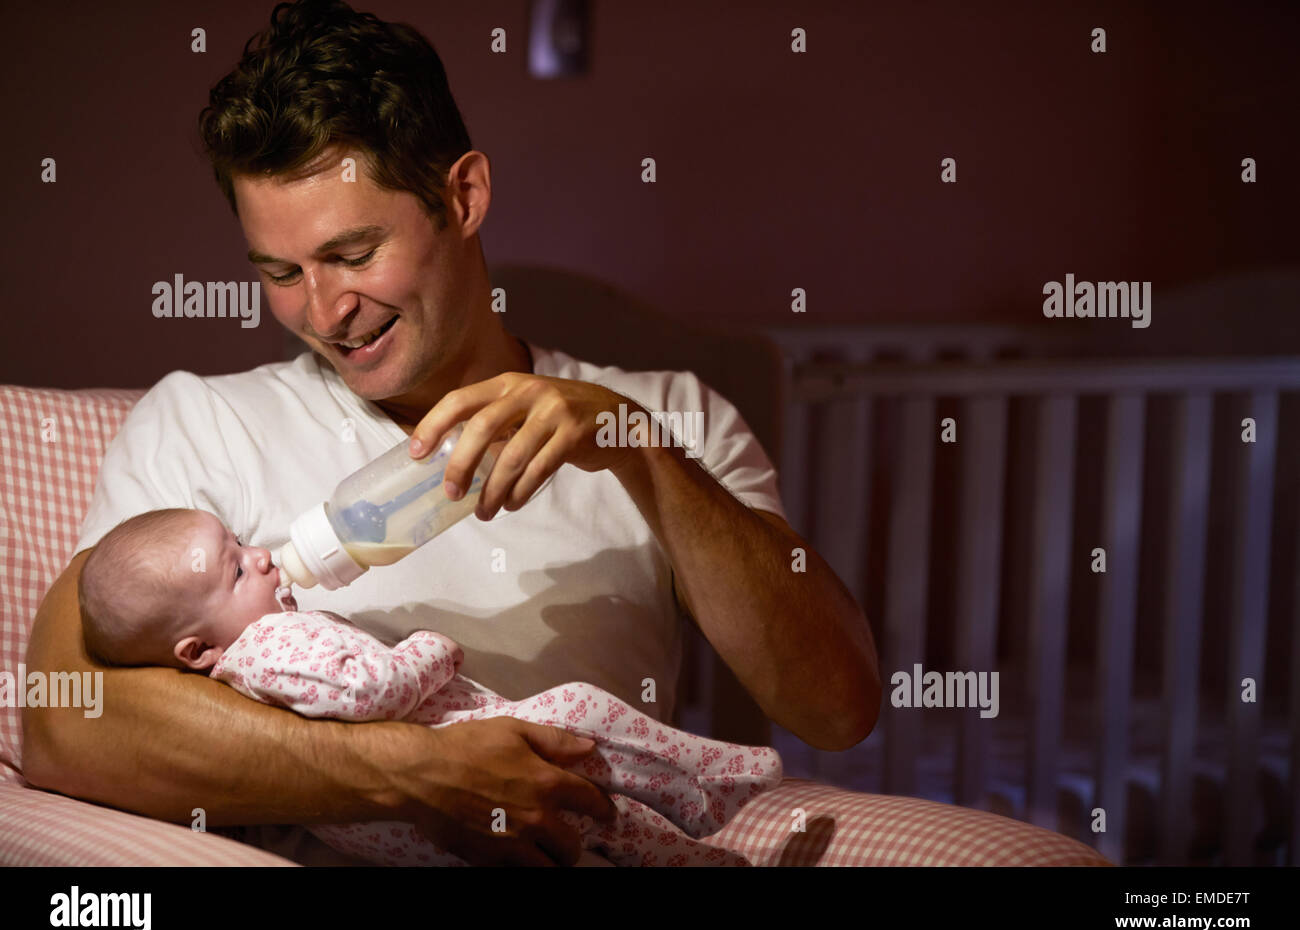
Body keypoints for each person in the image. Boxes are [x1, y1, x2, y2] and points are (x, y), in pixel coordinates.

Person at [22, 0, 880, 866]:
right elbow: (66, 723)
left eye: (354, 255)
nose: (324, 312)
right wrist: (410, 772)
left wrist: (639, 452)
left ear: (462, 196)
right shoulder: (200, 422)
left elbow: (837, 706)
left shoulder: (666, 413)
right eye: (281, 272)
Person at [76, 506, 781, 866]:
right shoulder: (268, 645)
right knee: (580, 715)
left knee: (595, 820)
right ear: (196, 650)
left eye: (241, 543)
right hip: (457, 745)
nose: (260, 557)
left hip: (410, 830)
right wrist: (430, 649)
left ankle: (695, 853)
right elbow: (365, 692)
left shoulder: (245, 667)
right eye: (235, 570)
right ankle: (710, 777)